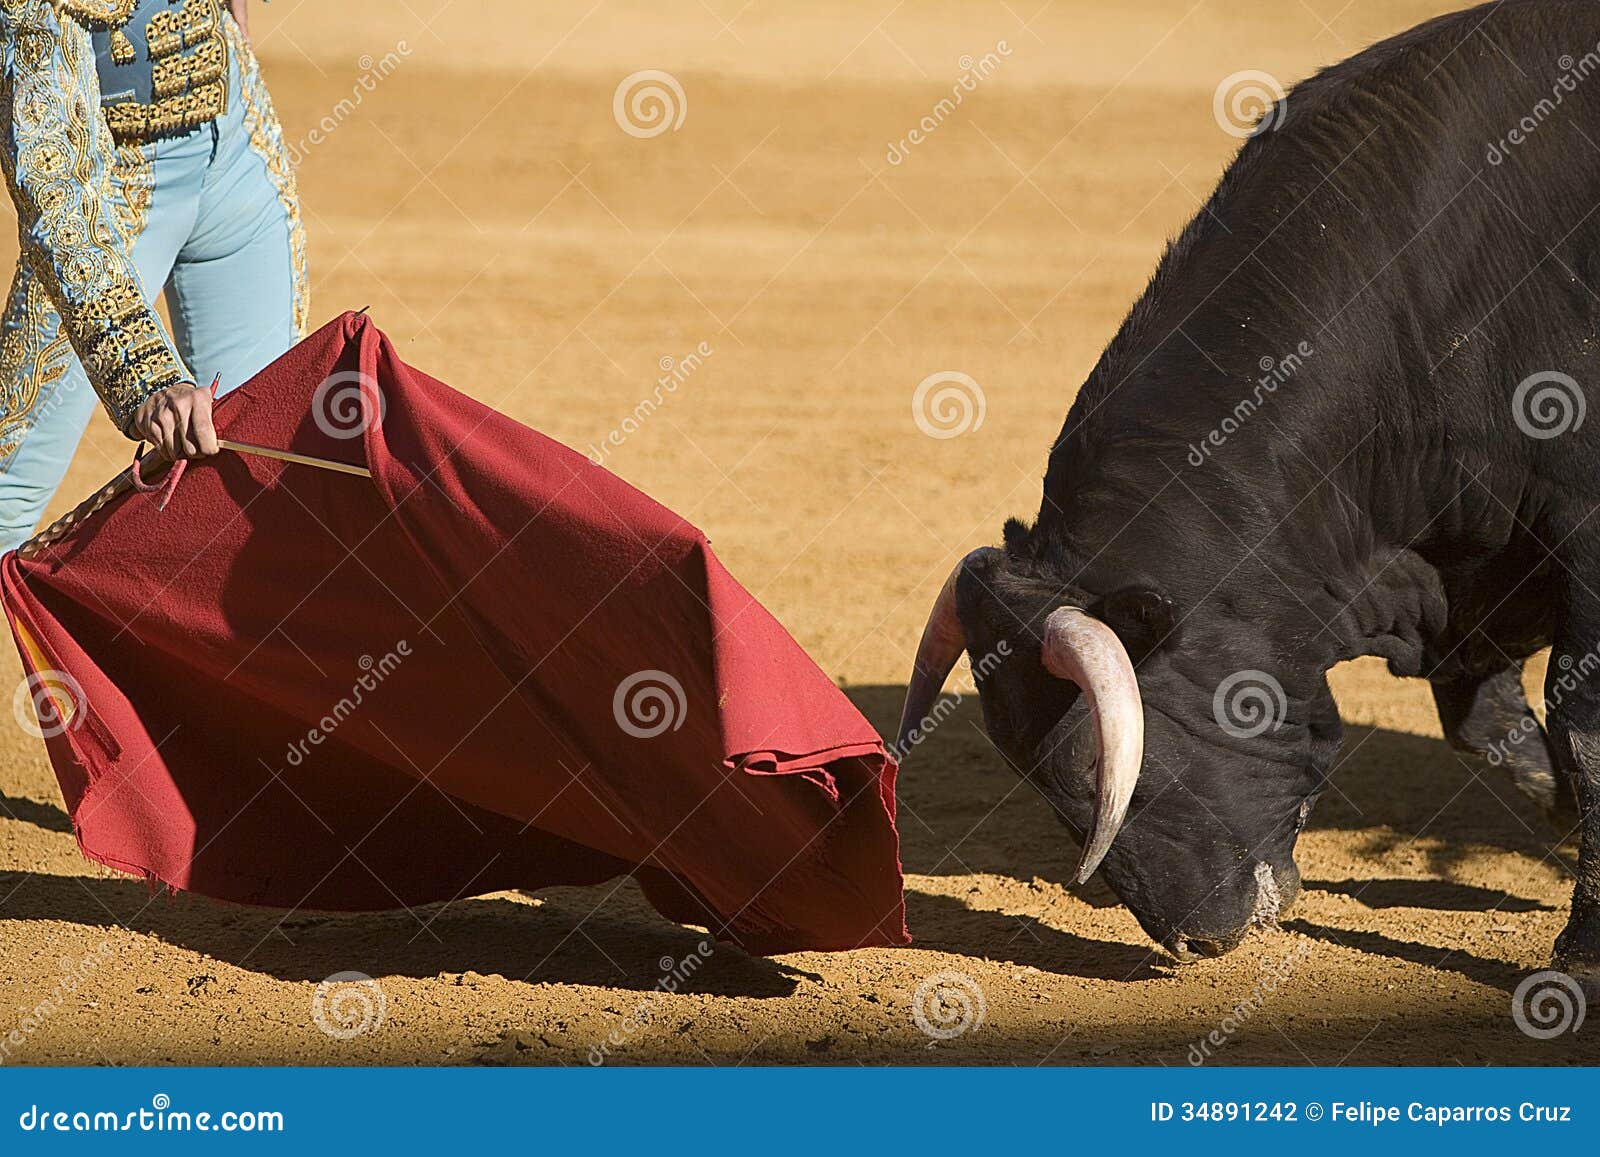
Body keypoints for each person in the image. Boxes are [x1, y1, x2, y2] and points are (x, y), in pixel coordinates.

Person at [0, 0, 307, 550]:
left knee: (261, 480)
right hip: (104, 193)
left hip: (238, 146)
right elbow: (58, 195)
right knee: (5, 497)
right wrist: (148, 379)